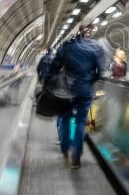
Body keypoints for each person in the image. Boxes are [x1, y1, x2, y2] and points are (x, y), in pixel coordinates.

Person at [45, 24, 105, 169]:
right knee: (80, 122)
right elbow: (101, 71)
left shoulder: (68, 45)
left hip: (67, 90)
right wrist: (90, 81)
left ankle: (65, 149)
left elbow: (55, 65)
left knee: (65, 120)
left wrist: (49, 80)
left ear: (80, 30)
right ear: (92, 31)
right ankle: (76, 158)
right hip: (85, 90)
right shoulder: (96, 47)